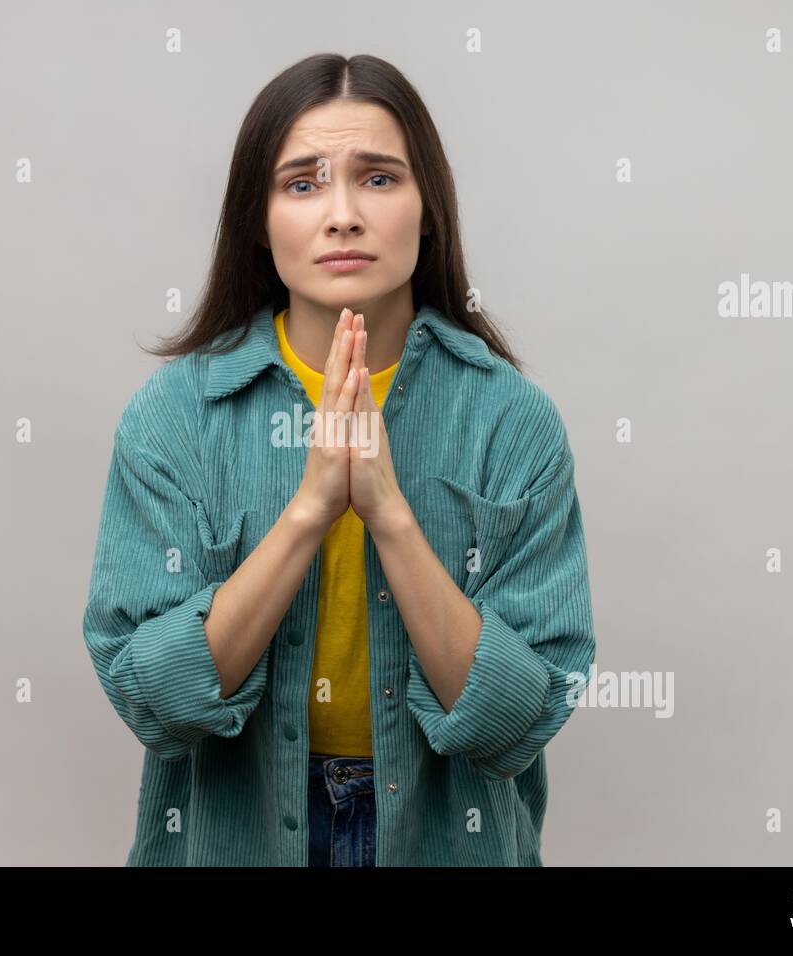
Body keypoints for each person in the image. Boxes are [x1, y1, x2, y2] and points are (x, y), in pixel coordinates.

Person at [81, 53, 595, 866]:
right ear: (258, 217)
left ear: (430, 211)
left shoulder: (511, 420)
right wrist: (311, 510)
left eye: (380, 179)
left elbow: (514, 725)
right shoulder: (176, 417)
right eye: (303, 183)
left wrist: (389, 516)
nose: (344, 215)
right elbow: (156, 703)